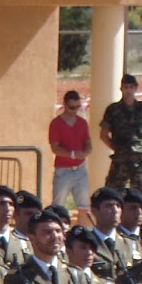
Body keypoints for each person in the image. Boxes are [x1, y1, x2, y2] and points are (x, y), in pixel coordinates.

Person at [99, 74, 142, 193]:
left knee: (139, 195)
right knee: (112, 193)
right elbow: (103, 135)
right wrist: (117, 148)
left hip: (138, 160)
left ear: (136, 88)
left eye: (131, 87)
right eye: (126, 87)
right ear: (121, 88)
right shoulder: (113, 109)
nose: (128, 90)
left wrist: (140, 147)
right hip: (120, 160)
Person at [48, 90, 92, 223]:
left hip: (80, 169)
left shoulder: (82, 123)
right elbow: (55, 147)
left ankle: (84, 233)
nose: (75, 110)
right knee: (58, 206)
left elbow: (88, 142)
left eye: (78, 107)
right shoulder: (56, 124)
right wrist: (72, 155)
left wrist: (86, 152)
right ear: (65, 105)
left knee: (84, 205)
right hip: (63, 170)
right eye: (72, 107)